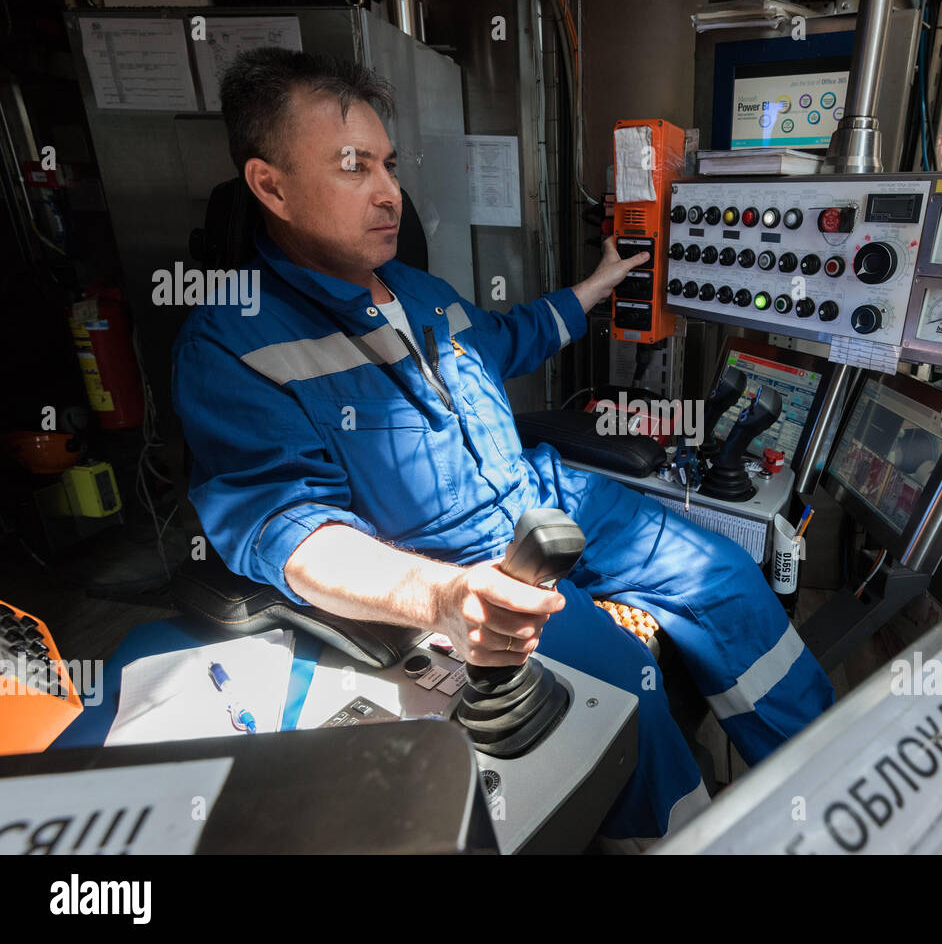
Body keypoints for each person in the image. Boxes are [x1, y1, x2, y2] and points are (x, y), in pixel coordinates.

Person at [171, 49, 834, 850]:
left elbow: (507, 338)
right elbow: (289, 528)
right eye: (354, 168)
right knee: (628, 693)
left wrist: (595, 289)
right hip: (460, 558)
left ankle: (830, 777)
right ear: (269, 184)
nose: (389, 193)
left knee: (728, 578)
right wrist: (444, 597)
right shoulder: (233, 341)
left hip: (546, 497)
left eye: (388, 164)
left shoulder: (420, 290)